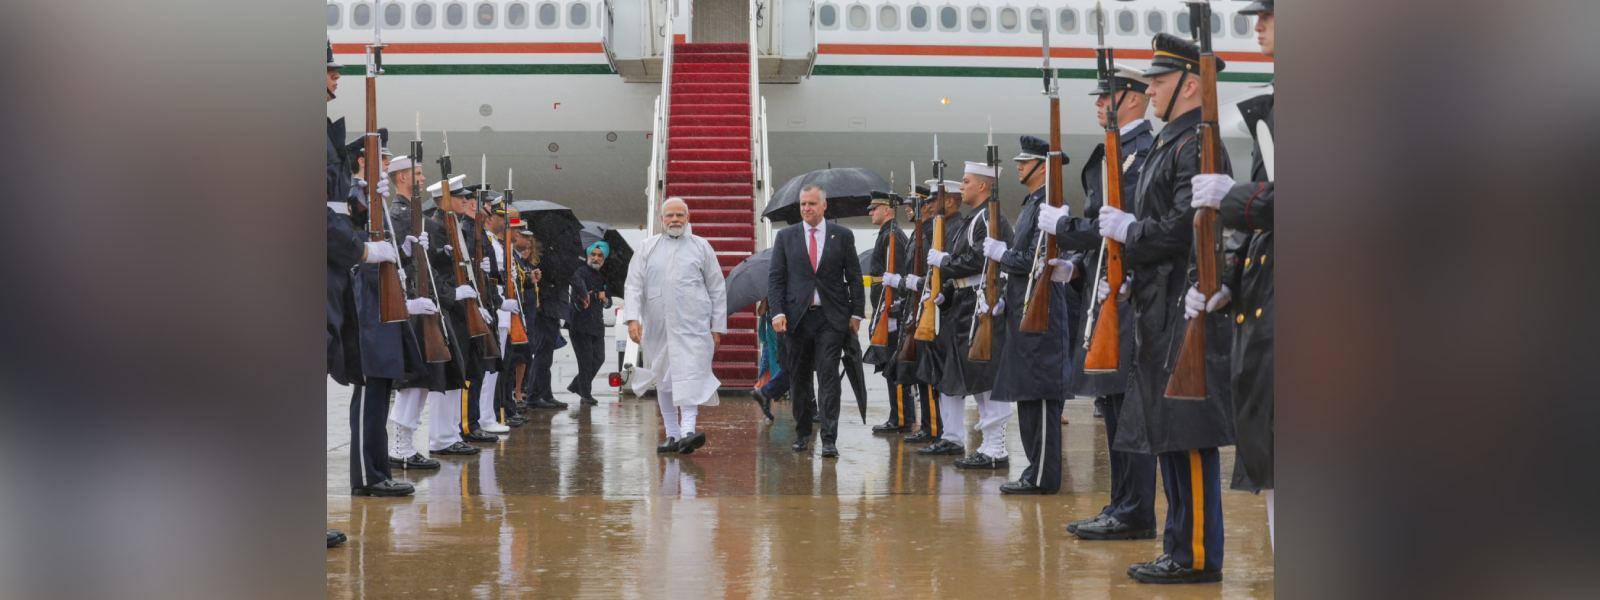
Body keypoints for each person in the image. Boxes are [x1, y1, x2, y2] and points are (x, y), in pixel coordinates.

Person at [1096, 33, 1236, 584]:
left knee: (1190, 433)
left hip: (1185, 303)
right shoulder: (1168, 142)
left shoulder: (1198, 143)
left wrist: (1133, 231)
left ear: (1191, 85)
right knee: (1168, 433)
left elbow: (1187, 226)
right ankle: (1178, 545)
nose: (1148, 89)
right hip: (1158, 304)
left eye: (1158, 81)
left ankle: (1198, 552)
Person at [1041, 65, 1160, 535]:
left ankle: (1135, 511)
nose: (1097, 104)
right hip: (1105, 294)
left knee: (1127, 409)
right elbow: (1106, 234)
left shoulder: (1142, 152)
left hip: (1129, 296)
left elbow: (1121, 226)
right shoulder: (1119, 152)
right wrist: (1077, 267)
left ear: (1132, 99)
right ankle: (1121, 504)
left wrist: (1066, 228)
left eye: (1105, 96)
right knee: (1112, 406)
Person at [1187, 0, 1275, 547]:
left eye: (1269, 15)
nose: (1258, 26)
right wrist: (1227, 281)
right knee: (1275, 470)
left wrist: (1235, 195)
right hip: (1269, 314)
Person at [984, 136, 1075, 488]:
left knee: (1039, 397)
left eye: (1026, 161)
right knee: (1027, 394)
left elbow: (1036, 261)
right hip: (1024, 312)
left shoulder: (1050, 206)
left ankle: (1042, 476)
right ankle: (1033, 471)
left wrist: (1000, 254)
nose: (1018, 166)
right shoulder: (1032, 204)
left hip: (1043, 317)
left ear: (1044, 167)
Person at [920, 163, 1012, 464]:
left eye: (966, 181)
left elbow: (982, 260)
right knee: (974, 377)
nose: (962, 186)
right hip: (965, 302)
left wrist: (946, 261)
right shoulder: (975, 219)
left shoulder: (990, 217)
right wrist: (947, 287)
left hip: (981, 302)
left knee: (986, 377)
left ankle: (996, 447)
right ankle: (987, 445)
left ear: (983, 186)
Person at [623, 197, 728, 455]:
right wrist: (632, 318)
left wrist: (718, 326)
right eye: (669, 215)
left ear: (688, 218)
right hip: (658, 325)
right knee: (664, 379)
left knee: (689, 375)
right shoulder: (647, 247)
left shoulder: (701, 247)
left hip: (693, 325)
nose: (675, 220)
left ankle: (688, 431)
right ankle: (672, 434)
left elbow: (717, 287)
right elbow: (633, 285)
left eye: (680, 215)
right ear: (661, 220)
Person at [768, 185, 864, 458]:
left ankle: (829, 437)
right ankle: (802, 432)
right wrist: (777, 312)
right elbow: (776, 278)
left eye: (812, 203)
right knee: (799, 379)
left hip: (831, 319)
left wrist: (856, 313)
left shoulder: (842, 236)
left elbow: (854, 276)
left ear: (824, 206)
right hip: (796, 320)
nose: (806, 208)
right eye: (803, 204)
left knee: (829, 377)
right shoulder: (786, 237)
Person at [864, 192, 913, 433]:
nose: (871, 212)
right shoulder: (886, 234)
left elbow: (898, 274)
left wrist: (892, 307)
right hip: (884, 306)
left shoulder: (894, 236)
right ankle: (898, 415)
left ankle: (902, 417)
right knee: (889, 363)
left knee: (895, 363)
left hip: (891, 309)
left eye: (874, 208)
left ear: (888, 210)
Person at [568, 241, 614, 405]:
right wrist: (595, 296)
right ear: (587, 255)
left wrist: (605, 299)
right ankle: (585, 394)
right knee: (585, 361)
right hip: (580, 324)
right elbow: (578, 297)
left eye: (600, 255)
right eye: (593, 254)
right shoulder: (580, 273)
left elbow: (608, 301)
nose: (595, 258)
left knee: (599, 358)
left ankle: (576, 385)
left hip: (597, 324)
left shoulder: (603, 276)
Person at [749, 299, 784, 421]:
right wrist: (765, 299)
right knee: (770, 367)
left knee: (781, 365)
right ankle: (768, 399)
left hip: (784, 330)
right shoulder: (769, 293)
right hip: (772, 333)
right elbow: (761, 312)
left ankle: (771, 394)